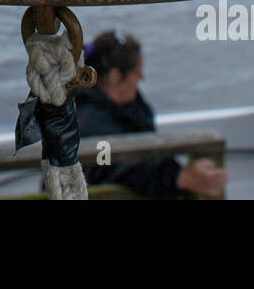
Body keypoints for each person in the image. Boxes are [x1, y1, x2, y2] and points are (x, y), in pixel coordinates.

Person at [74, 29, 227, 198]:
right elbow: (112, 167)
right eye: (136, 72)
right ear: (115, 77)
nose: (142, 77)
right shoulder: (87, 121)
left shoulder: (129, 106)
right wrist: (177, 177)